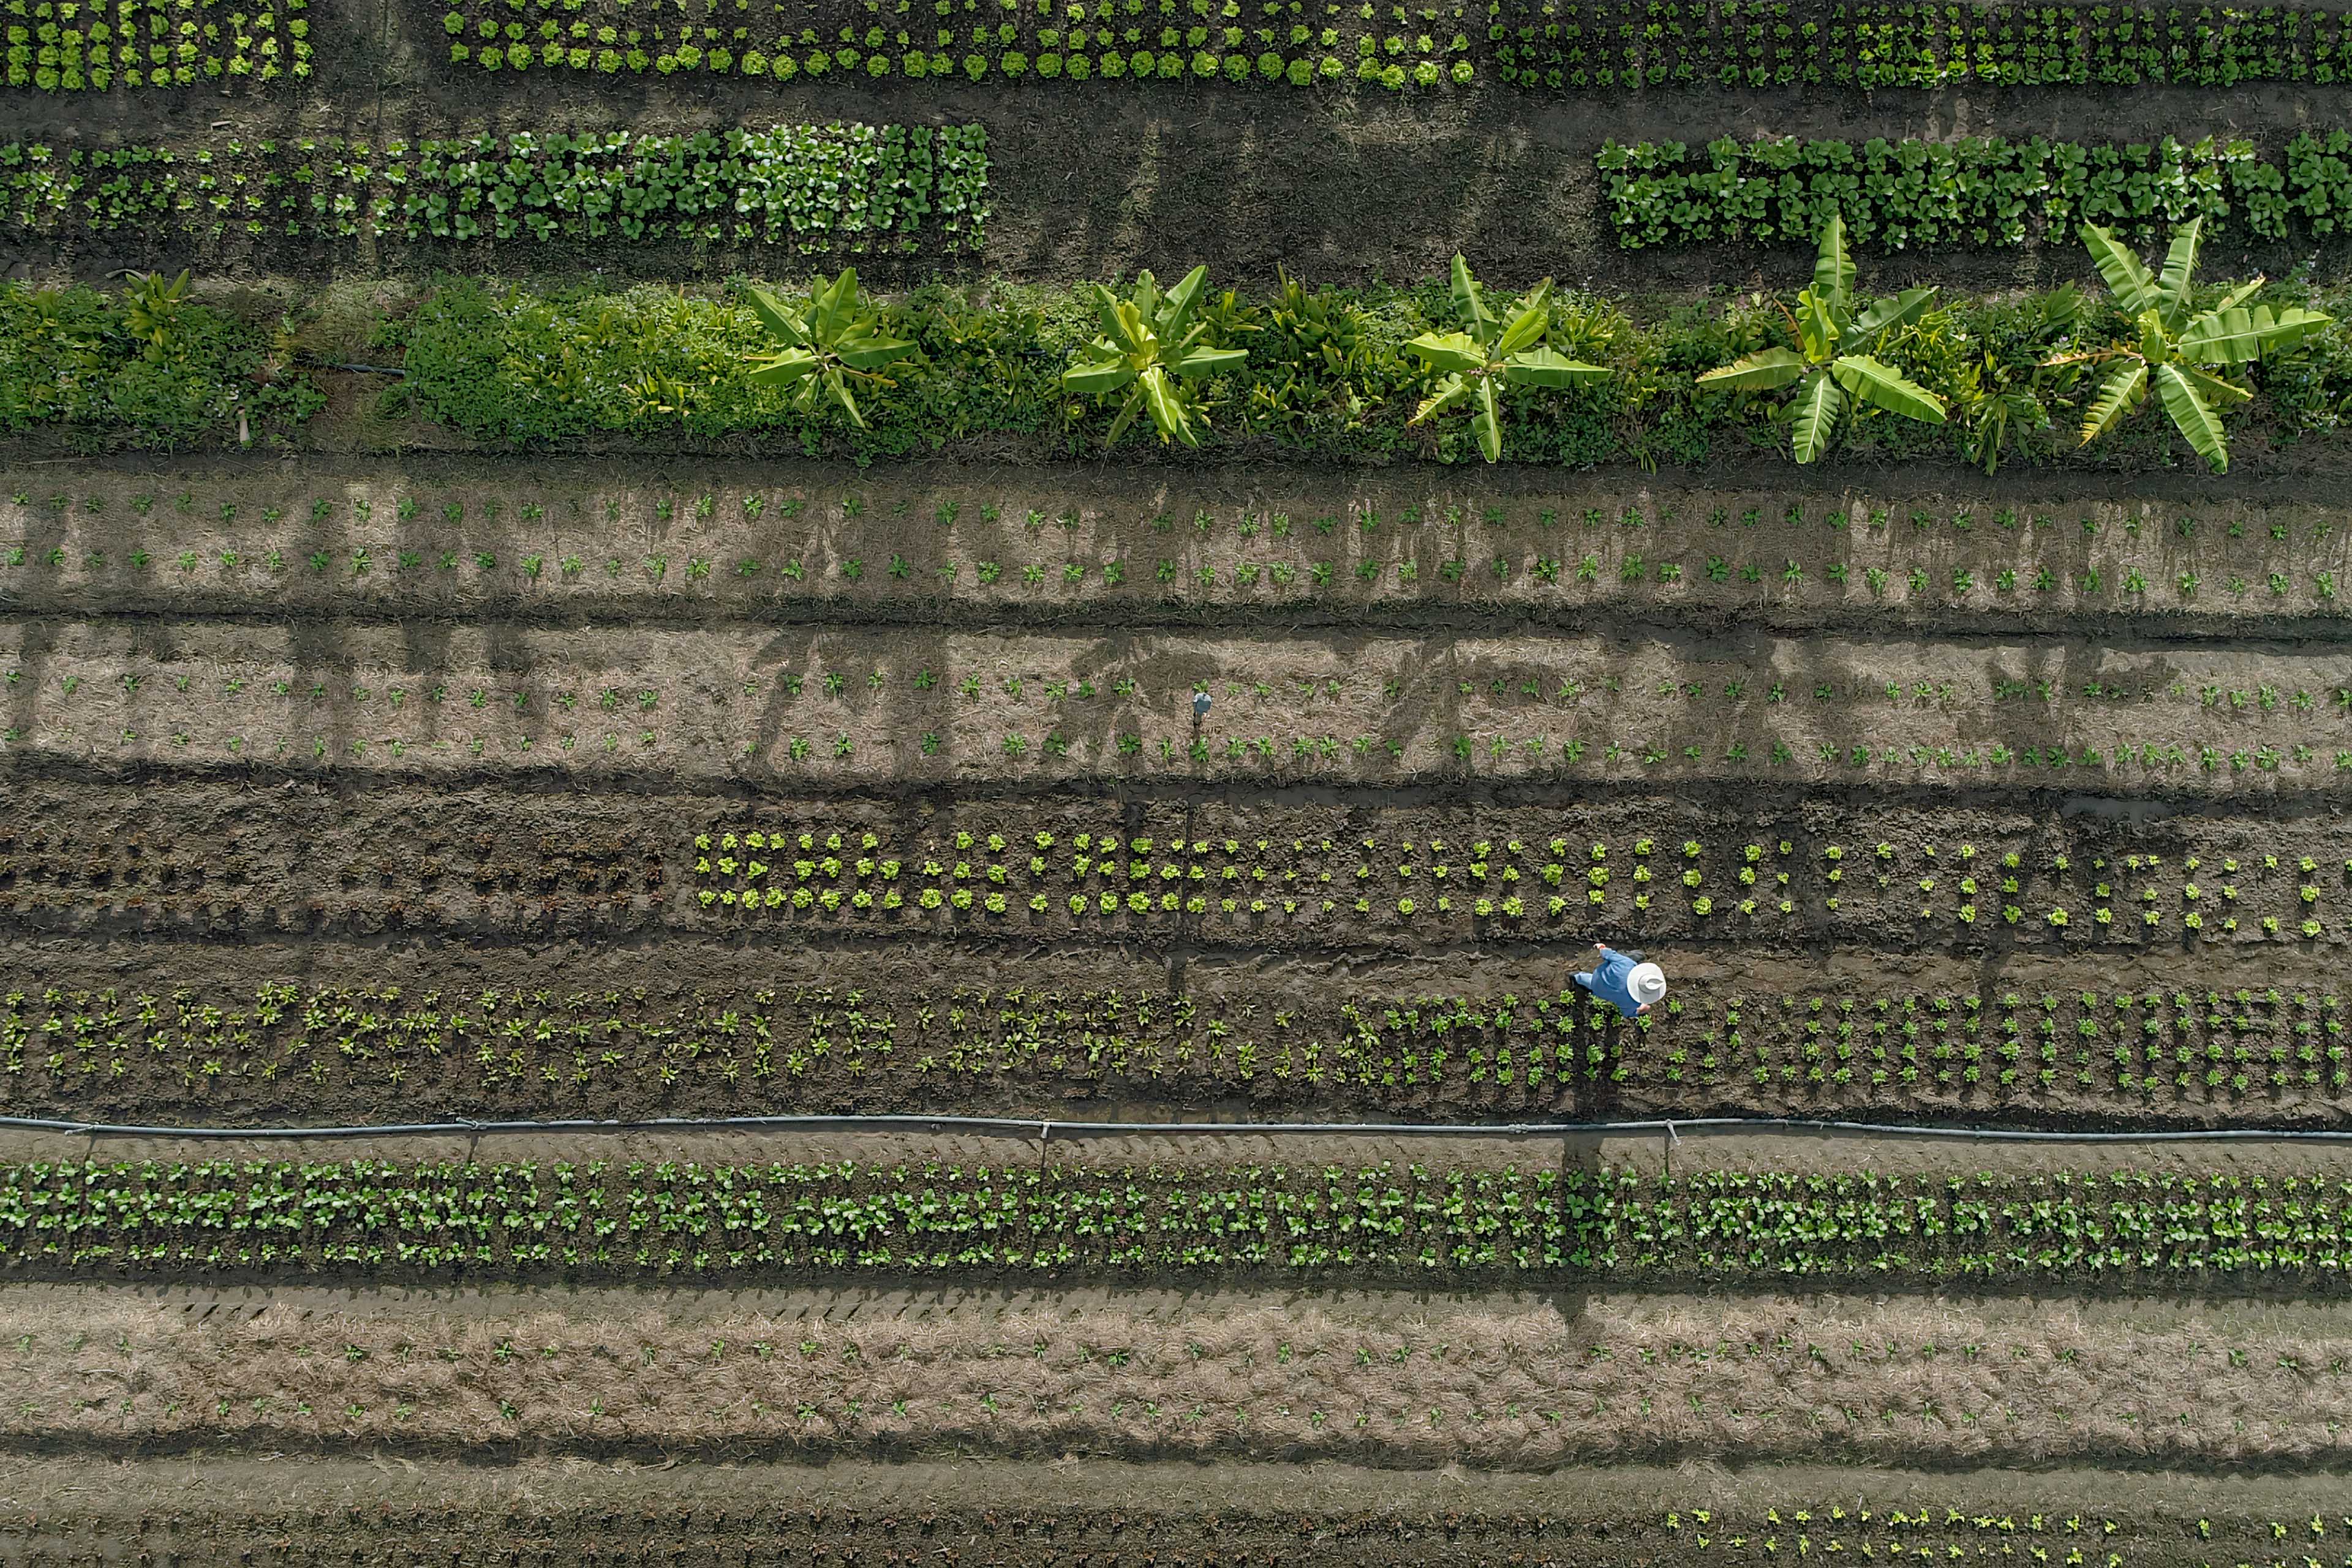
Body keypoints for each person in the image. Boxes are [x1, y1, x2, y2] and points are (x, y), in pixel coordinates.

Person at [1574, 942, 1665, 1019]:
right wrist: (1641, 1011)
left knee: (1638, 955)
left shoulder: (1627, 964)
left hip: (1597, 977)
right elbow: (1626, 1014)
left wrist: (1601, 947)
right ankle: (1577, 979)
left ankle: (1576, 976)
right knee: (1591, 983)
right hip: (1598, 991)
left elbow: (1607, 954)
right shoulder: (1634, 1003)